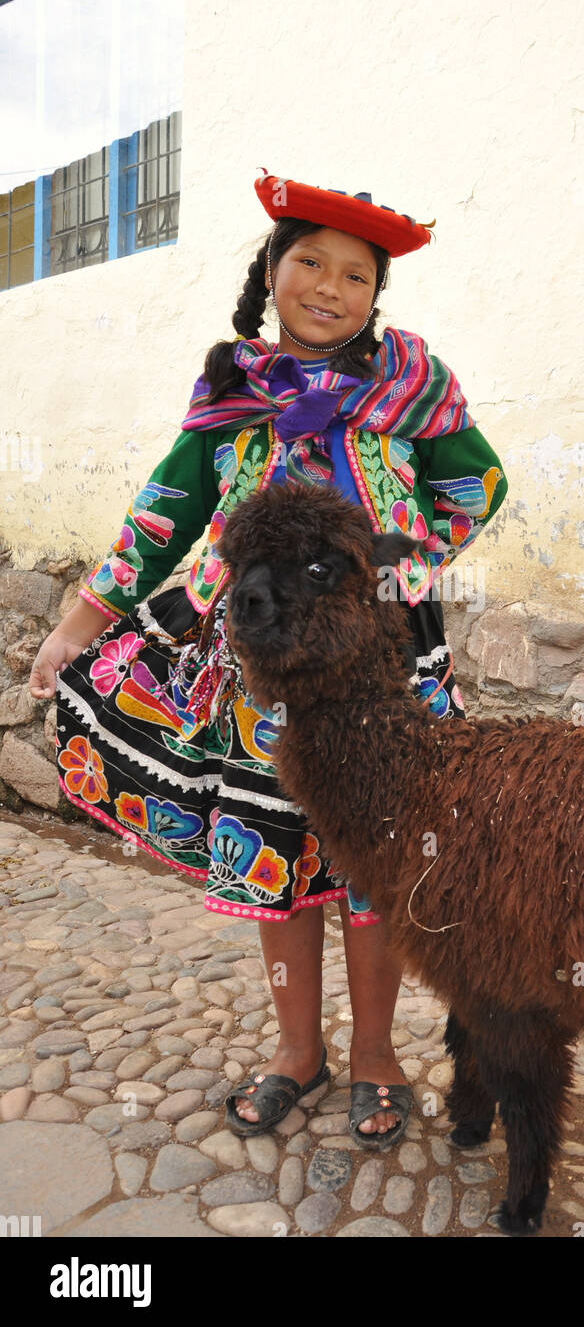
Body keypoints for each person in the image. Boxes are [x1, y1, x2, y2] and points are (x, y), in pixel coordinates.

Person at [29, 169, 508, 1149]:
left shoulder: (411, 382)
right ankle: (299, 1052)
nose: (329, 288)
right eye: (309, 263)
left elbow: (481, 481)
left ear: (378, 297)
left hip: (386, 673)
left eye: (355, 276)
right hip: (261, 681)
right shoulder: (235, 388)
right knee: (271, 864)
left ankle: (376, 1055)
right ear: (271, 271)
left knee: (374, 873)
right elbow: (166, 509)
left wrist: (401, 562)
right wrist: (81, 622)